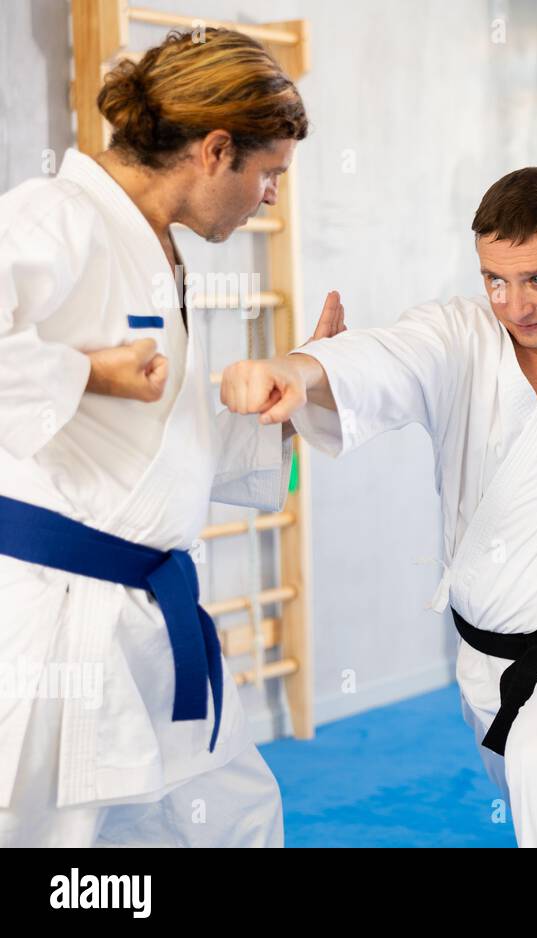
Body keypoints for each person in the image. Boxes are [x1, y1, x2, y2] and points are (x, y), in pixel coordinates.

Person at [219, 166, 537, 847]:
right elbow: (386, 359)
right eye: (495, 279)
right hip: (490, 648)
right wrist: (300, 370)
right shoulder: (457, 334)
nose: (515, 304)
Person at [0, 28, 320, 846]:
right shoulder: (56, 216)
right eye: (269, 175)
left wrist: (294, 391)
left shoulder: (158, 246)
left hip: (156, 617)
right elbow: (101, 384)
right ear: (216, 150)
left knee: (237, 822)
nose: (271, 199)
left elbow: (160, 437)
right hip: (61, 629)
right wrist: (88, 372)